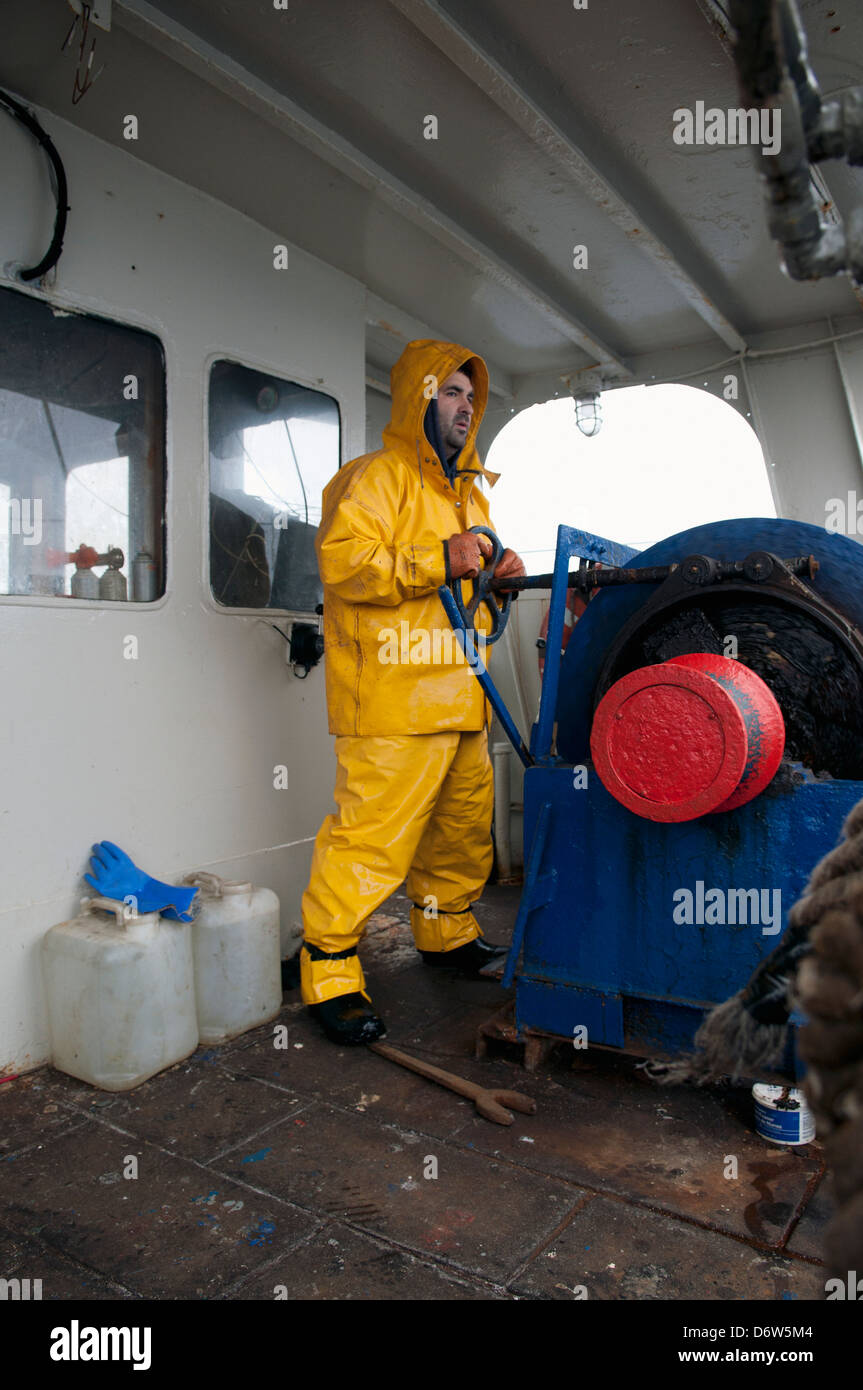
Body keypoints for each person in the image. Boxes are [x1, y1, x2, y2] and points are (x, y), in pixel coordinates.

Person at [298, 338, 525, 1044]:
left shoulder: (470, 495)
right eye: (451, 392)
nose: (465, 407)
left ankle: (447, 934)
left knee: (460, 832)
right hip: (393, 698)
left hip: (461, 697)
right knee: (369, 842)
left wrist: (500, 576)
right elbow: (344, 563)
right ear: (418, 397)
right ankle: (328, 970)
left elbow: (467, 590)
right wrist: (438, 558)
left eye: (471, 396)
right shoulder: (373, 478)